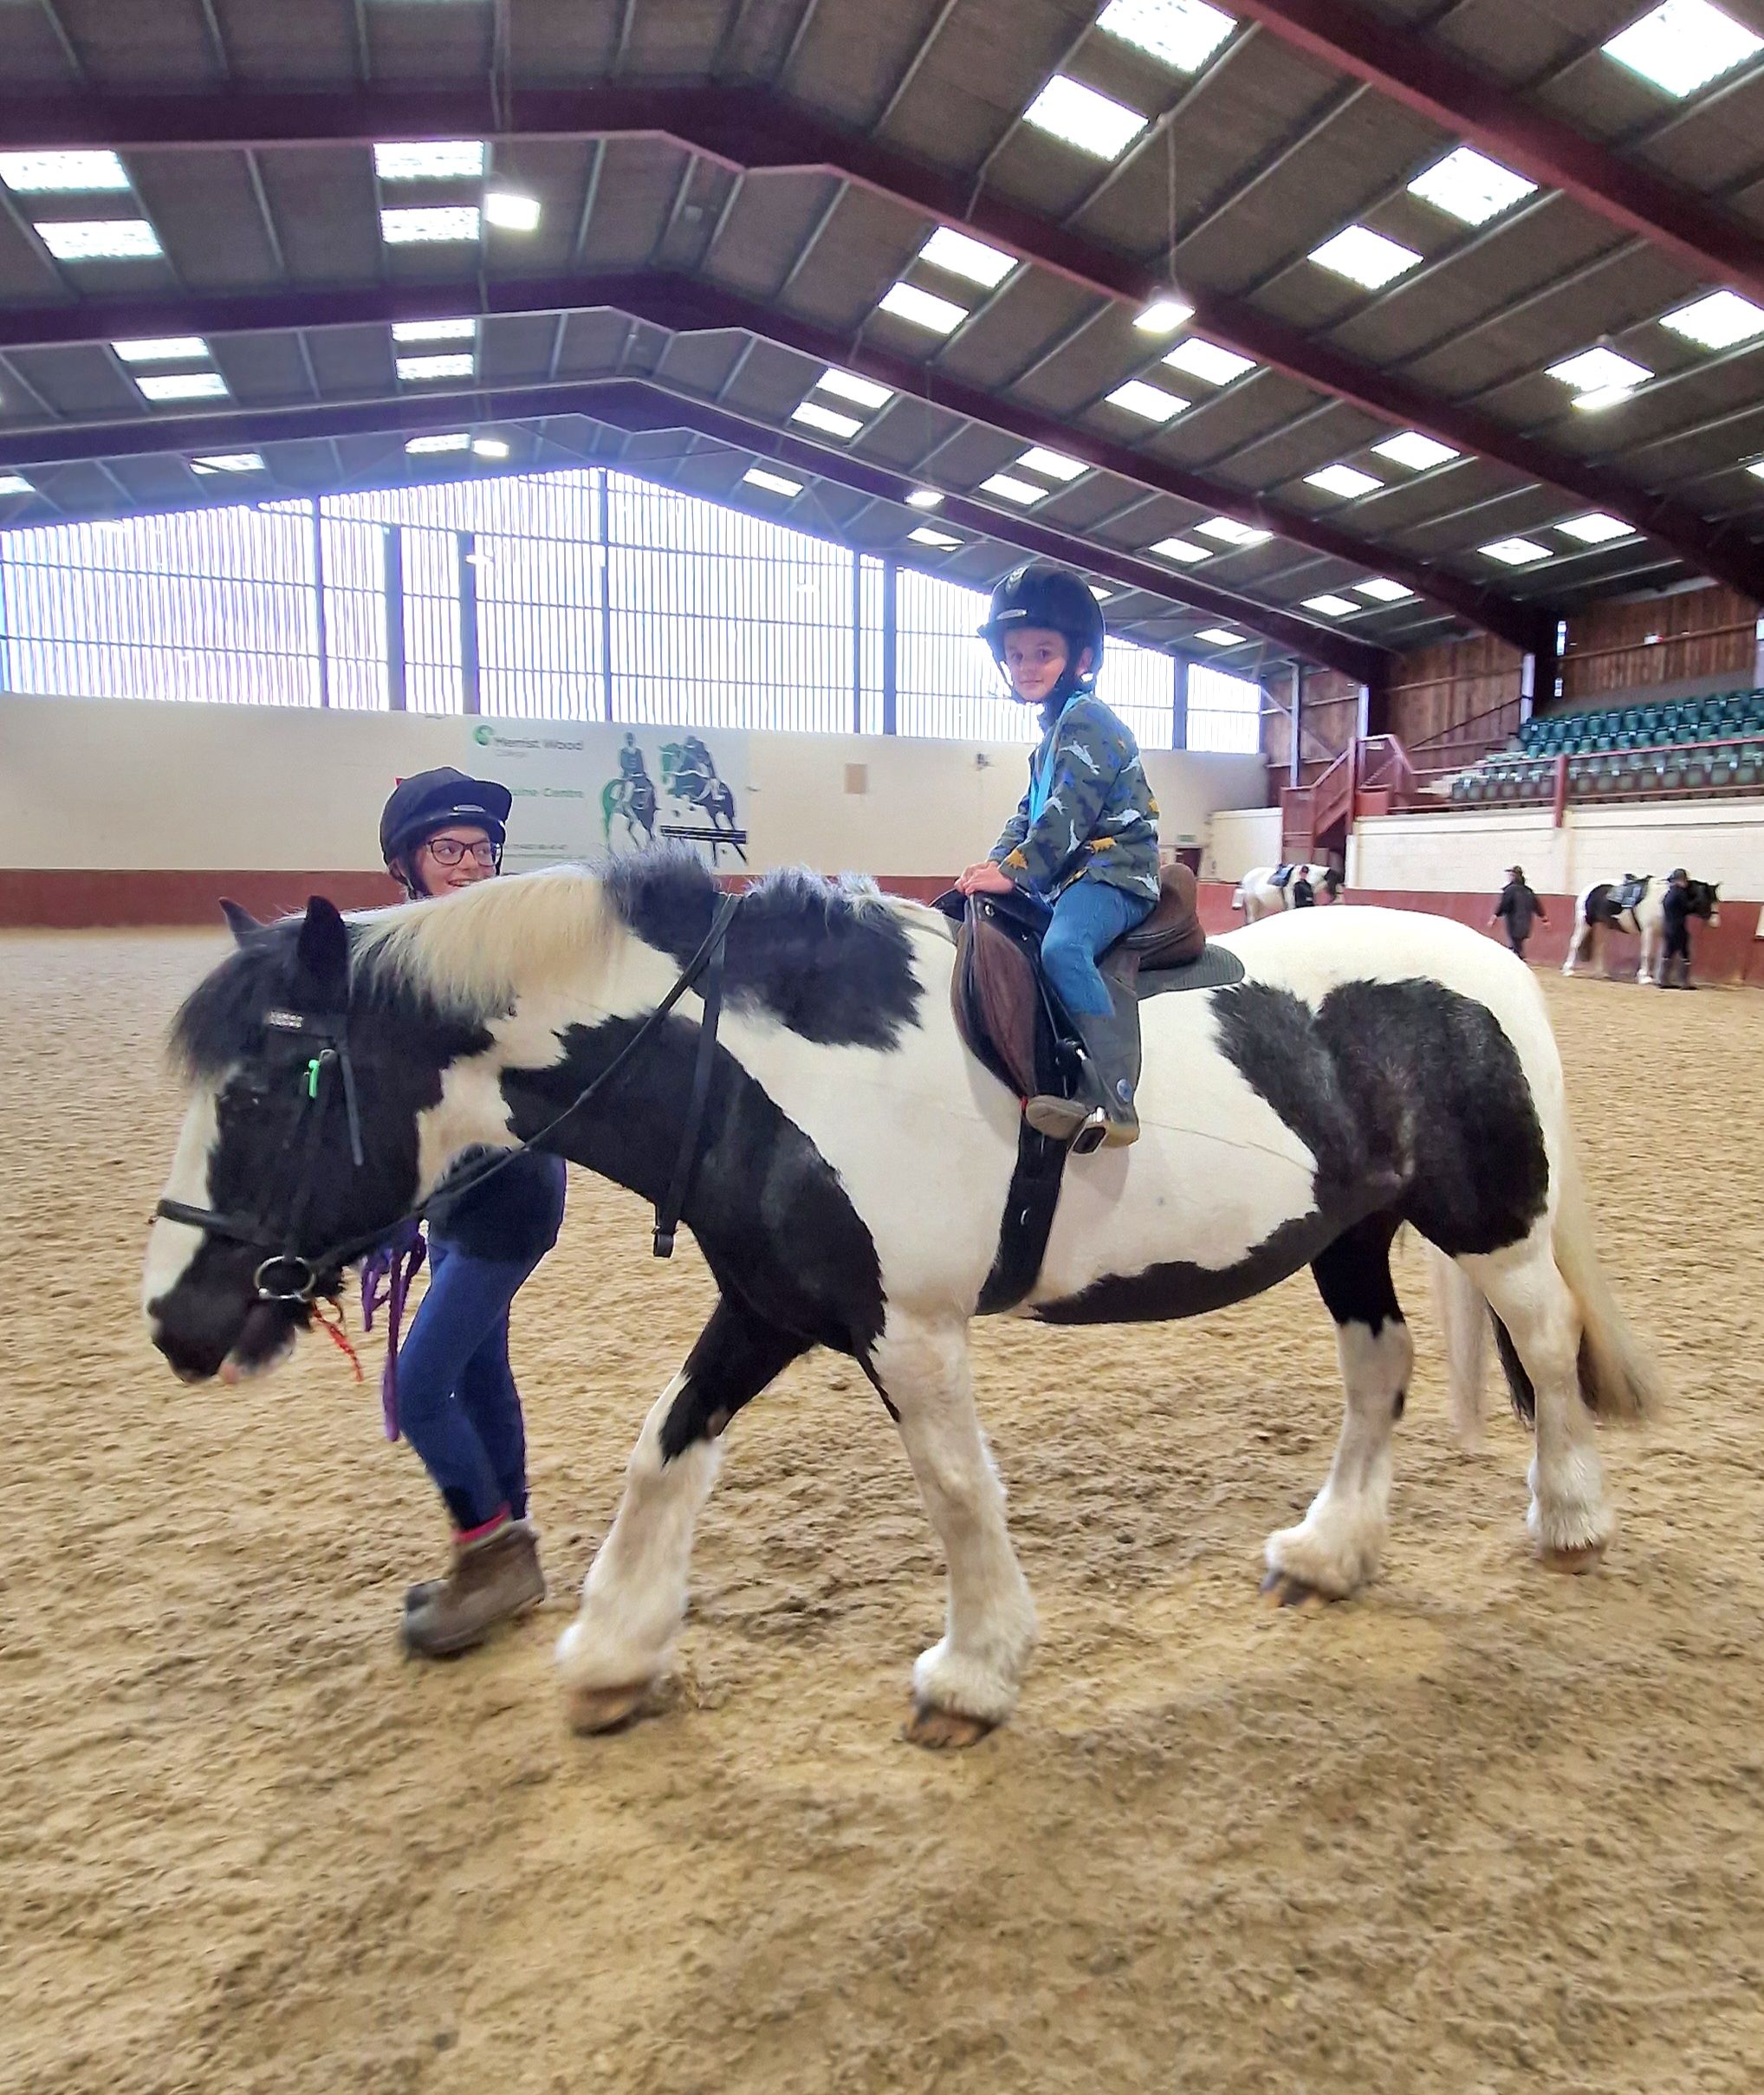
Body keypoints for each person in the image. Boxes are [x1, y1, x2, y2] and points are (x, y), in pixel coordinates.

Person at [375, 768, 568, 1657]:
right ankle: (509, 1546)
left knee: (419, 1389)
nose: (467, 862)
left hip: (508, 1195)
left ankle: (488, 1553)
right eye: (447, 849)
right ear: (407, 863)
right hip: (450, 1199)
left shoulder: (496, 959)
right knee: (481, 1373)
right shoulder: (407, 952)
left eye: (479, 849)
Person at [956, 561, 1160, 1147]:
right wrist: (990, 867)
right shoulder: (1049, 739)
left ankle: (1115, 1093)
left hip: (1112, 873)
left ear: (1082, 659)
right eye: (1016, 655)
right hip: (1071, 878)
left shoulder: (1089, 723)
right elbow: (1025, 814)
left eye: (1042, 653)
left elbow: (1063, 817)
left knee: (1065, 948)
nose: (1026, 667)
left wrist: (1015, 875)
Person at [1491, 865, 1547, 960]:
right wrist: (1544, 919)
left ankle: (1519, 960)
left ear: (1513, 876)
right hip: (1526, 923)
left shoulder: (1510, 890)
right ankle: (1519, 957)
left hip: (1514, 922)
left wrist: (1495, 916)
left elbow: (1504, 905)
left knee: (1516, 944)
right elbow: (1537, 905)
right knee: (1518, 944)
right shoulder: (1528, 891)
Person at [1660, 866, 1696, 989]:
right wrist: (1695, 902)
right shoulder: (1680, 893)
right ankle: (1684, 982)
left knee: (1668, 953)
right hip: (1678, 926)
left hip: (1667, 926)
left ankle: (1664, 980)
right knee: (1685, 953)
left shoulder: (1668, 894)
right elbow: (1687, 908)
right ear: (1682, 880)